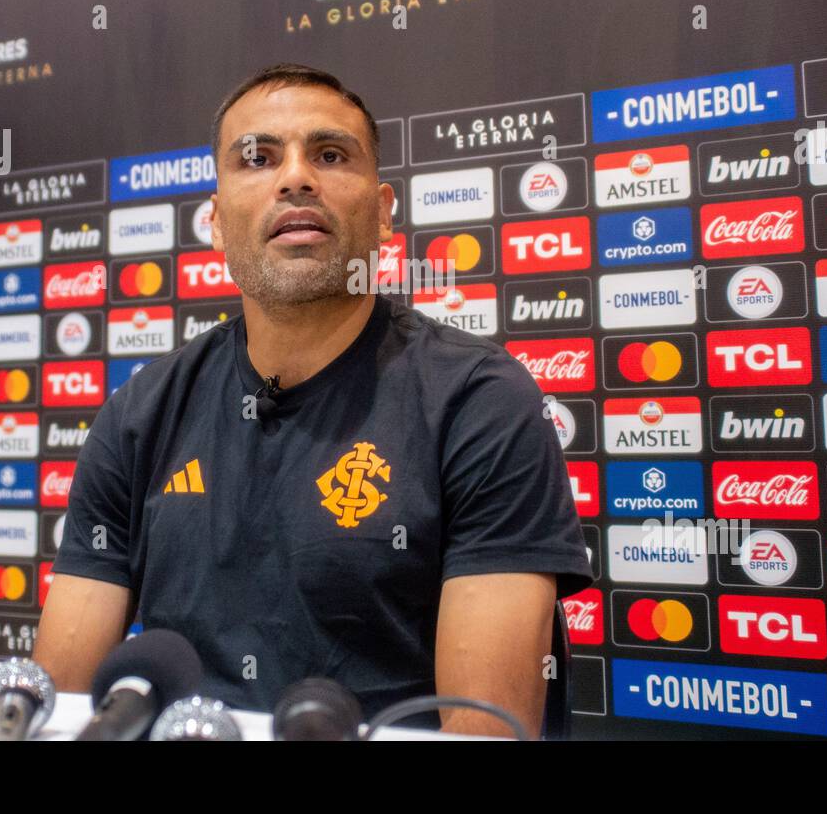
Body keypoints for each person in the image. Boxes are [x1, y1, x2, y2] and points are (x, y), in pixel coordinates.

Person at [33, 63, 591, 737]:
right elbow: (61, 713)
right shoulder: (139, 413)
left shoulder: (480, 402)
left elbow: (483, 733)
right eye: (257, 158)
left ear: (384, 213)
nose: (295, 177)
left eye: (330, 155)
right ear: (213, 221)